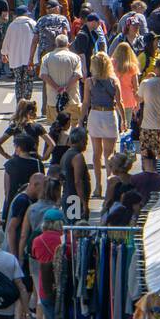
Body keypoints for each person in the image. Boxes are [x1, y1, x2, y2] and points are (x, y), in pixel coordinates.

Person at [85, 51, 123, 197]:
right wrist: (124, 120)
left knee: (96, 153)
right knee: (109, 154)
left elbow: (86, 103)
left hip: (95, 114)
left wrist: (82, 118)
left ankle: (98, 187)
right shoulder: (114, 81)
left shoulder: (90, 81)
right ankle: (109, 186)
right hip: (109, 115)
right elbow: (119, 103)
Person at [39, 33, 83, 127]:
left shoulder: (47, 57)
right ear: (68, 44)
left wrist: (57, 88)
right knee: (73, 126)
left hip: (53, 100)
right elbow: (77, 75)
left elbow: (44, 75)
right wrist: (66, 88)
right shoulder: (75, 57)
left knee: (55, 127)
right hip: (72, 99)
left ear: (56, 44)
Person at [2, 6, 38, 105]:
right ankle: (27, 103)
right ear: (26, 13)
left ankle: (19, 104)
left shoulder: (12, 25)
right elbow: (36, 41)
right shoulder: (32, 24)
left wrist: (4, 54)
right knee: (28, 81)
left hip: (15, 59)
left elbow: (6, 41)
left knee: (18, 81)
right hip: (29, 59)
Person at [137, 57, 160, 157]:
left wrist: (146, 78)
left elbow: (139, 99)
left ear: (155, 68)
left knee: (146, 157)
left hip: (147, 126)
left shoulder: (146, 83)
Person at [59, 126, 91, 221]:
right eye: (85, 139)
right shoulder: (77, 157)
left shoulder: (65, 155)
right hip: (74, 200)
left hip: (68, 197)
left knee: (71, 230)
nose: (86, 143)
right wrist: (84, 204)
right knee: (76, 230)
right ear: (81, 140)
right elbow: (78, 181)